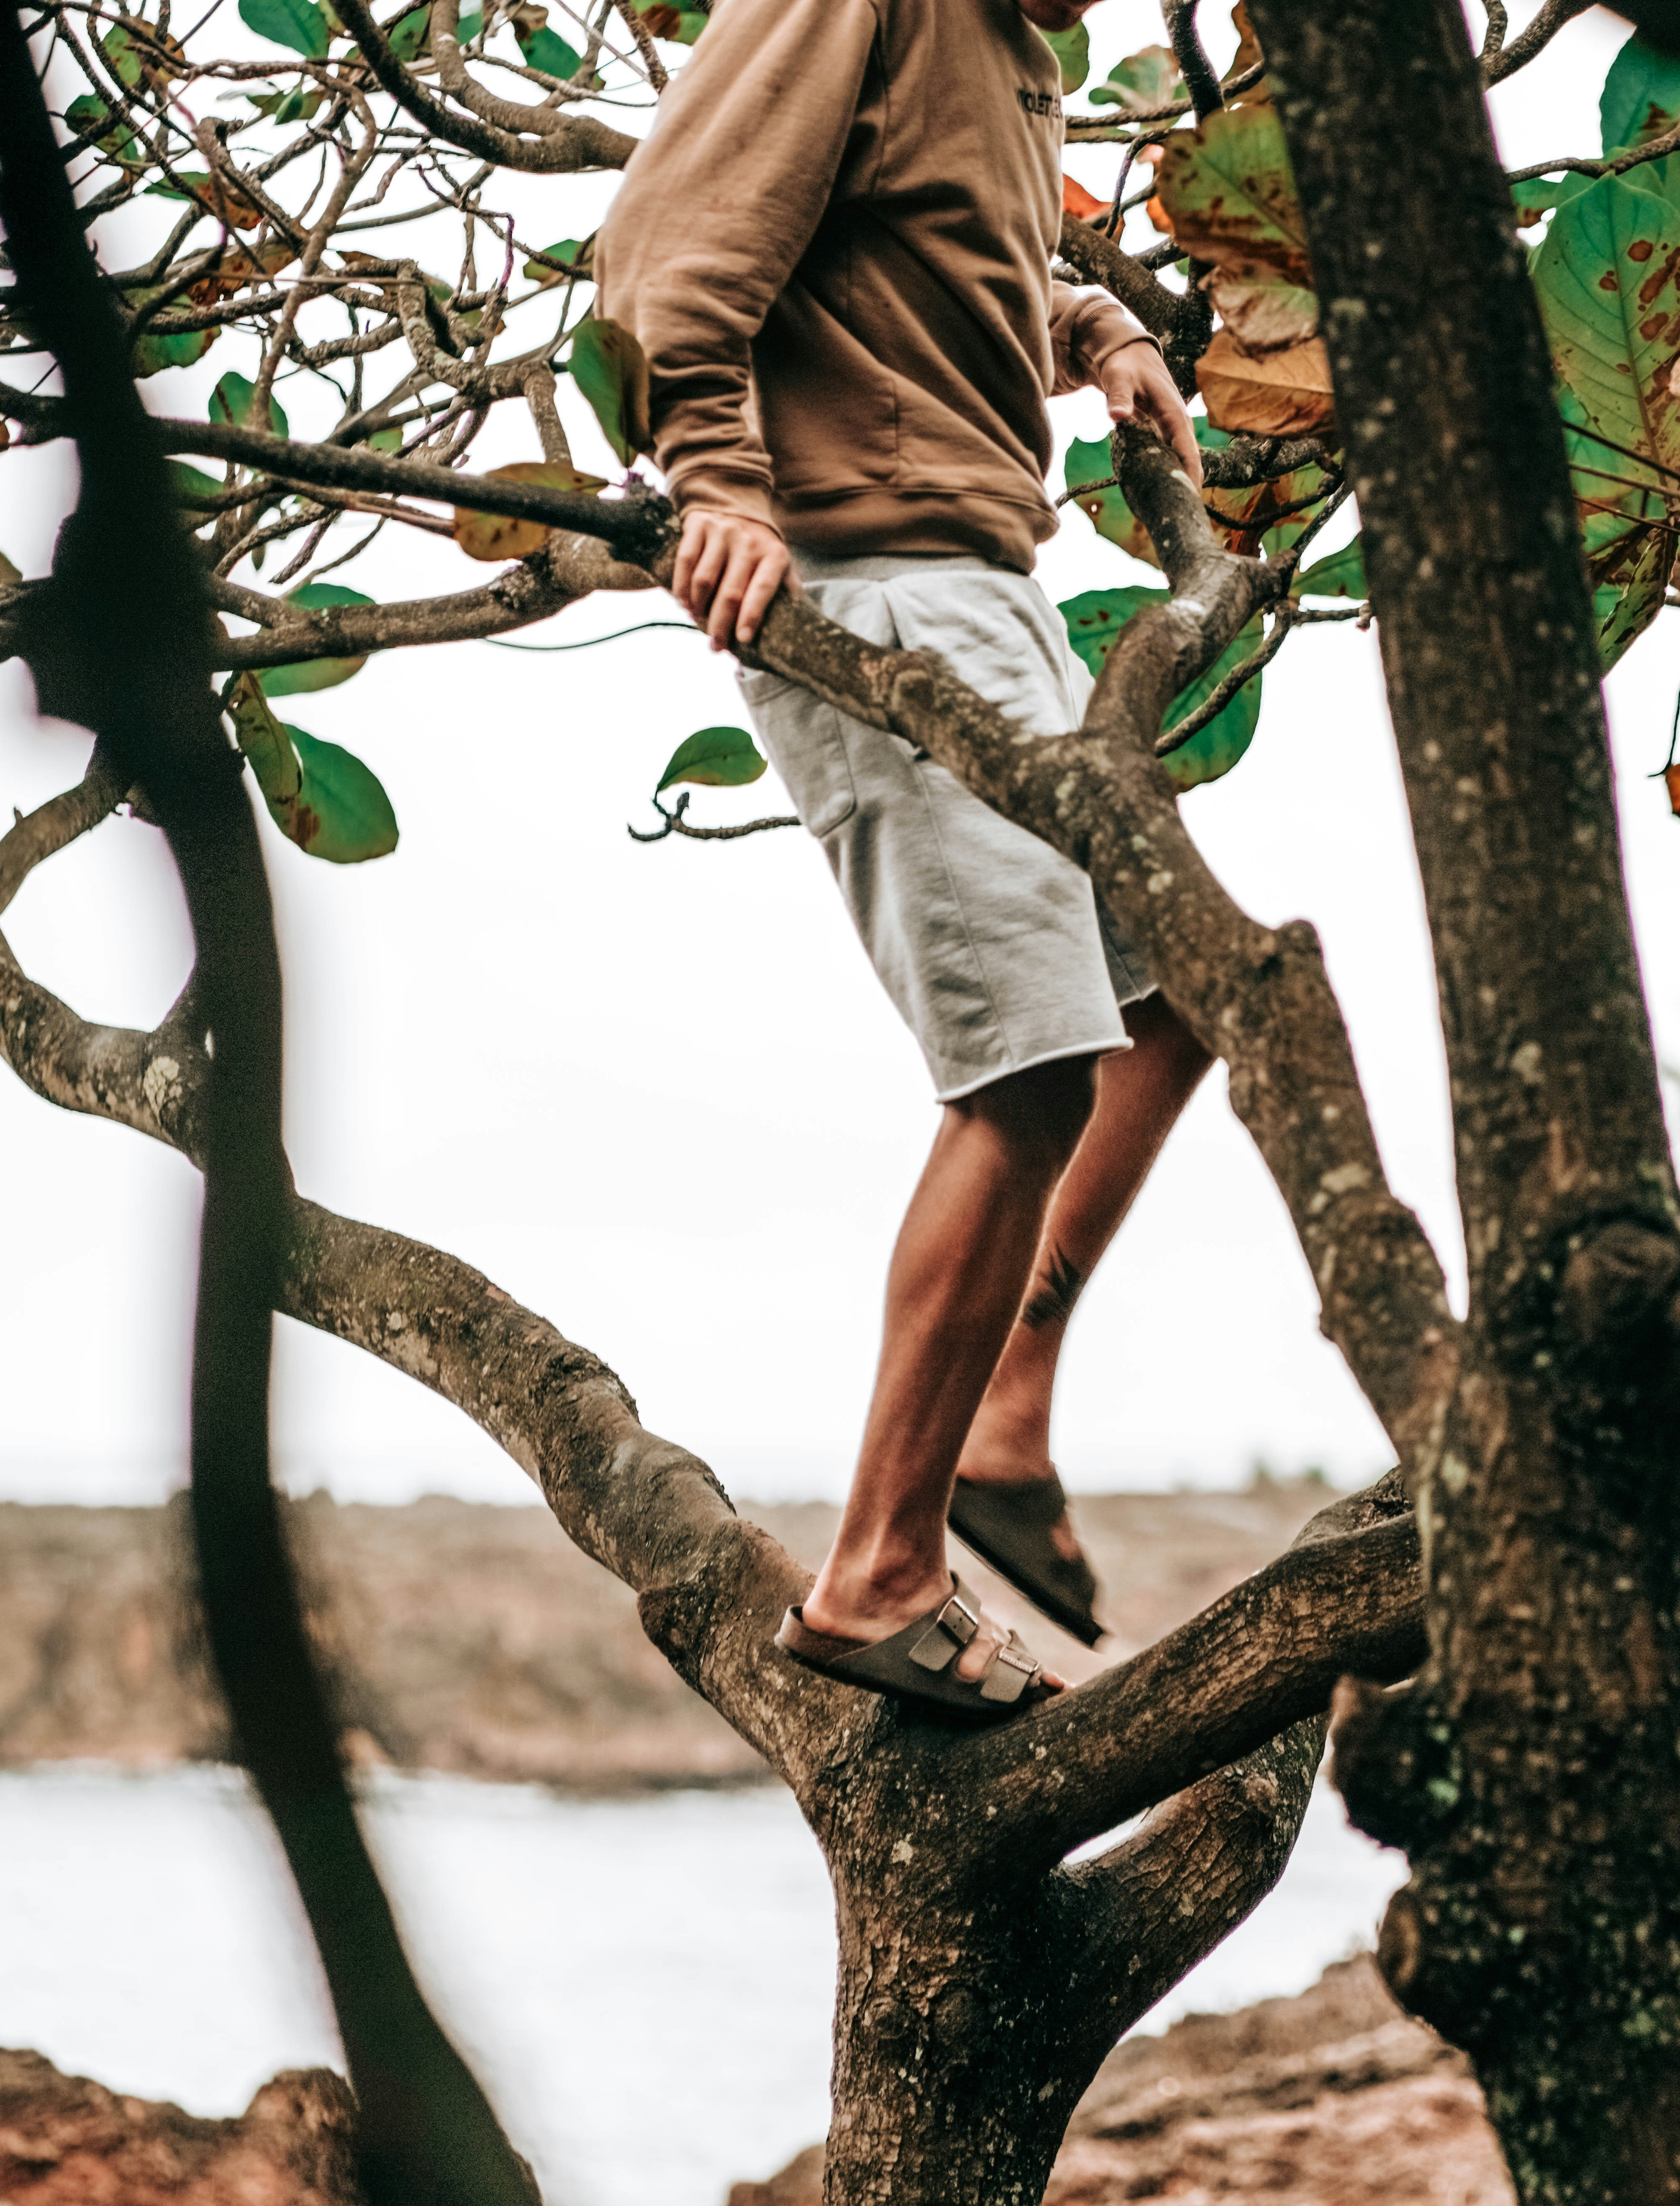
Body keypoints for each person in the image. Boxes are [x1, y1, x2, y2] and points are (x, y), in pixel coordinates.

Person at [599, 0, 1212, 1720]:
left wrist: (1087, 324)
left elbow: (925, 254)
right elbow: (662, 255)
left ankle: (1006, 1406)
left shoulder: (1017, 46)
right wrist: (716, 484)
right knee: (1022, 1076)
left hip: (987, 583)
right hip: (873, 589)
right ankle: (880, 1573)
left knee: (1178, 1000)